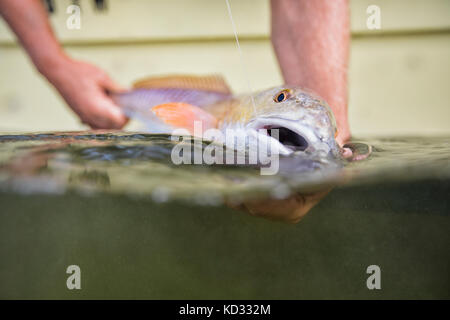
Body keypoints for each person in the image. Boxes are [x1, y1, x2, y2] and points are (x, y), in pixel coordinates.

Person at [0, 0, 350, 145]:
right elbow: (173, 114)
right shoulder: (220, 119)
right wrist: (55, 65)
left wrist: (330, 134)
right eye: (280, 98)